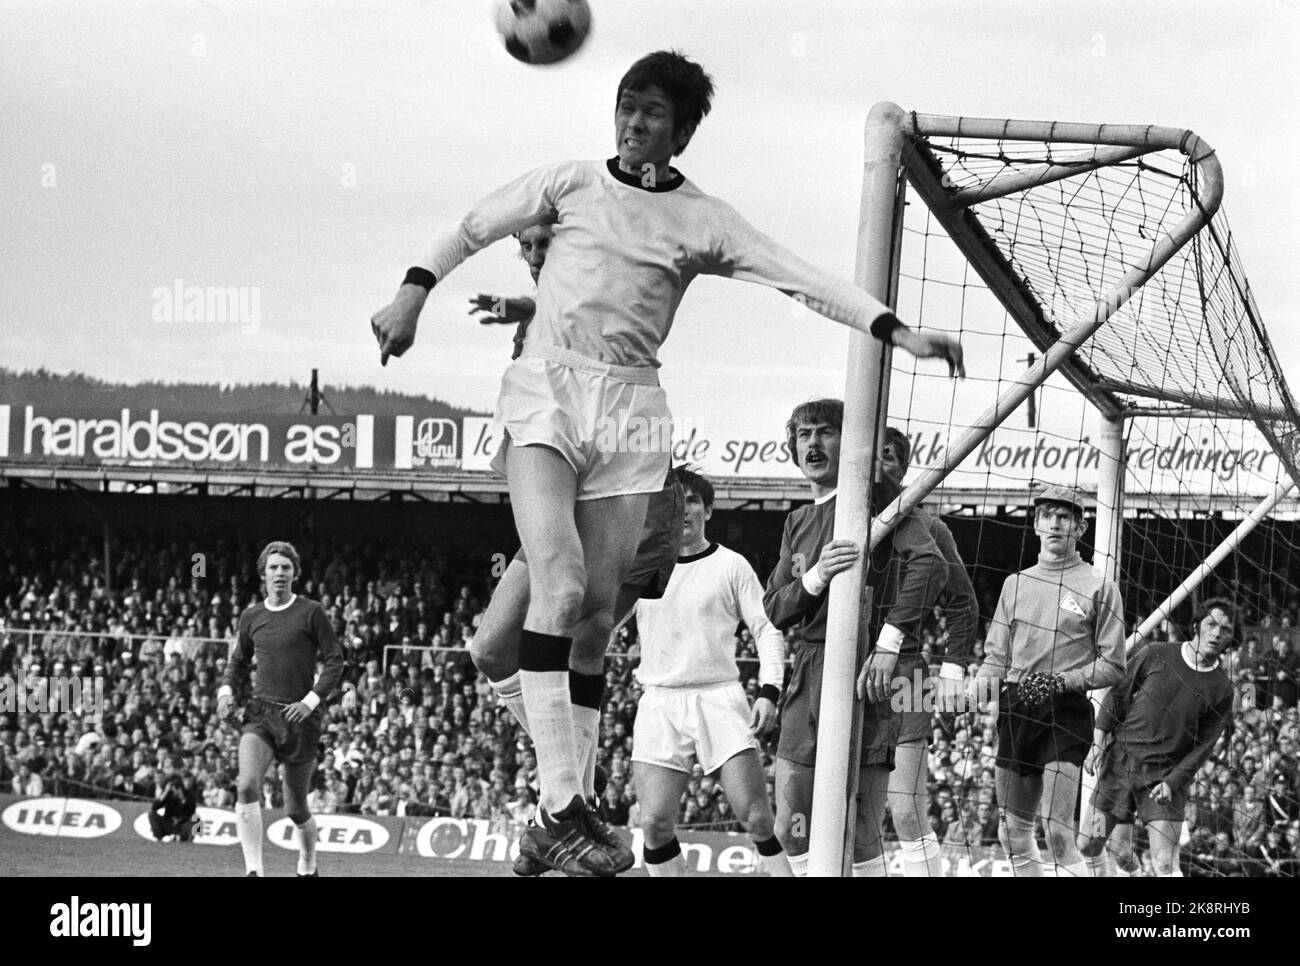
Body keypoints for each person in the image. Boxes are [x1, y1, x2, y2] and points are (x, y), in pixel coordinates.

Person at [370, 50, 963, 877]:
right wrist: (412, 291)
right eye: (625, 106)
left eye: (652, 112)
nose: (633, 122)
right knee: (564, 590)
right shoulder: (572, 182)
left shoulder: (703, 219)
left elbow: (800, 278)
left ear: (682, 131)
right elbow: (473, 224)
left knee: (579, 626)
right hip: (548, 391)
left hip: (636, 414)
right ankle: (564, 808)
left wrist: (895, 331)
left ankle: (557, 816)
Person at [465, 221, 687, 876]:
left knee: (587, 638)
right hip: (564, 492)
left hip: (627, 490)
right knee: (489, 647)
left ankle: (566, 810)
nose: (534, 257)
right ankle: (571, 794)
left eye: (544, 246)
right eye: (527, 249)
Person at [764, 399, 948, 876]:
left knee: (863, 828)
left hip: (865, 671)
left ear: (850, 445)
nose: (812, 443)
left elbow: (931, 564)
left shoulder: (876, 502)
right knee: (791, 824)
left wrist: (889, 644)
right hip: (809, 670)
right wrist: (817, 576)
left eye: (825, 432)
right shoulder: (797, 521)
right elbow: (774, 607)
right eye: (804, 435)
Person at [631, 467, 792, 876]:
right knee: (654, 825)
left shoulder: (730, 566)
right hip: (659, 702)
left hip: (718, 697)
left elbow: (766, 628)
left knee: (756, 817)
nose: (682, 511)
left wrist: (769, 691)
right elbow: (601, 622)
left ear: (708, 510)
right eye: (673, 503)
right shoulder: (641, 567)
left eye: (692, 501)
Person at [972, 485, 1126, 877]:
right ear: (1036, 523)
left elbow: (1114, 664)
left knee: (1058, 833)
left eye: (1065, 516)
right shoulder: (1015, 584)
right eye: (1048, 515)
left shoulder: (1099, 586)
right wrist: (975, 695)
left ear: (1080, 526)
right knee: (1011, 833)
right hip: (1016, 703)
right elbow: (995, 657)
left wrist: (1062, 681)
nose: (1055, 523)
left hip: (1066, 709)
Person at [878, 426, 978, 876]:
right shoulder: (831, 519)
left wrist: (953, 667)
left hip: (908, 674)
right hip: (840, 669)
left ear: (904, 467)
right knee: (842, 806)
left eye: (889, 457)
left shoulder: (931, 527)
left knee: (904, 808)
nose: (879, 466)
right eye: (870, 456)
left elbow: (964, 601)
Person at [1077, 598, 1236, 877]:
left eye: (1226, 629)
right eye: (1212, 624)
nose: (1217, 633)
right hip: (1120, 769)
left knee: (1165, 864)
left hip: (1163, 782)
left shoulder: (1223, 689)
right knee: (1093, 844)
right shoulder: (1155, 653)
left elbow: (1204, 748)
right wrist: (1099, 740)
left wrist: (1172, 782)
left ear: (1230, 639)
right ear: (1197, 625)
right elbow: (1117, 697)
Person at [218, 541, 345, 877]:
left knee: (295, 807)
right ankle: (254, 871)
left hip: (300, 717)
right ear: (263, 574)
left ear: (295, 573)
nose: (279, 573)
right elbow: (238, 661)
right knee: (246, 785)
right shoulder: (252, 616)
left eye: (285, 567)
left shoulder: (311, 612)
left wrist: (310, 700)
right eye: (273, 567)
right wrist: (226, 690)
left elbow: (335, 661)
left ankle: (307, 863)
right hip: (260, 713)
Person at [148, 773, 198, 842]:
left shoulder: (188, 794)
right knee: (151, 814)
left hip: (183, 825)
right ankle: (159, 838)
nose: (174, 789)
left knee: (195, 818)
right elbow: (154, 808)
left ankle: (187, 840)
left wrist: (182, 798)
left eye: (177, 786)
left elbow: (192, 810)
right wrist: (165, 792)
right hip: (169, 823)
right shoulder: (168, 794)